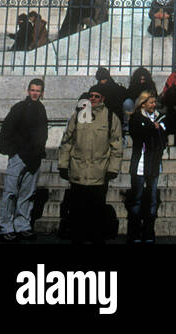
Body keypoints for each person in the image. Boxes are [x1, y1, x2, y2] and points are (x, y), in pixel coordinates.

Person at [56, 84, 122, 242]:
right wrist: (63, 165)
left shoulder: (110, 117)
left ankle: (96, 238)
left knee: (96, 210)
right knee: (77, 210)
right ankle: (77, 237)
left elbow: (117, 145)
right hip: (78, 171)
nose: (93, 99)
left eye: (97, 96)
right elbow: (66, 142)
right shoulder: (78, 115)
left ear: (103, 98)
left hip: (99, 173)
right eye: (91, 96)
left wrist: (113, 168)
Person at [0, 78, 48, 242]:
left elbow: (43, 134)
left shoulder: (42, 109)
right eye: (33, 90)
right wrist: (11, 151)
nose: (35, 93)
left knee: (28, 194)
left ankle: (22, 225)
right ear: (28, 91)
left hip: (34, 158)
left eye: (38, 90)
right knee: (10, 193)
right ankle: (6, 226)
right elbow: (7, 129)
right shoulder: (19, 108)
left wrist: (39, 151)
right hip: (19, 156)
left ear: (42, 93)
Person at [126, 90, 166, 242]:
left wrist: (156, 128)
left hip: (154, 163)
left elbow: (163, 139)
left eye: (155, 102)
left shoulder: (159, 118)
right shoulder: (136, 118)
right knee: (137, 198)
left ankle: (149, 231)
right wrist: (152, 127)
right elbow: (139, 135)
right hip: (140, 164)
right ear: (143, 104)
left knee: (152, 199)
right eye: (151, 102)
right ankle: (134, 232)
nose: (154, 105)